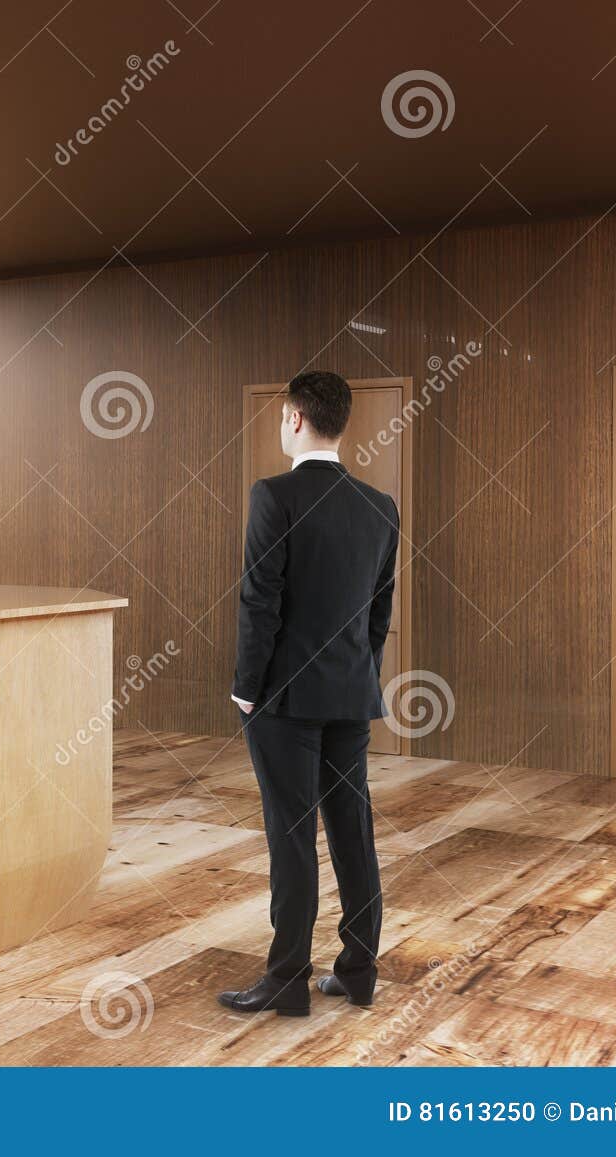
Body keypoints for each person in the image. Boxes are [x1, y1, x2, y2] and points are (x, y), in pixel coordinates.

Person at [218, 370, 399, 1017]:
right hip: (351, 695)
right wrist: (357, 675)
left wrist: (246, 687)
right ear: (339, 421)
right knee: (354, 830)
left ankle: (288, 978)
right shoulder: (381, 507)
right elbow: (380, 615)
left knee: (291, 834)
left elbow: (259, 600)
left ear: (295, 418)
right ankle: (357, 971)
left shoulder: (274, 495)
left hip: (284, 700)